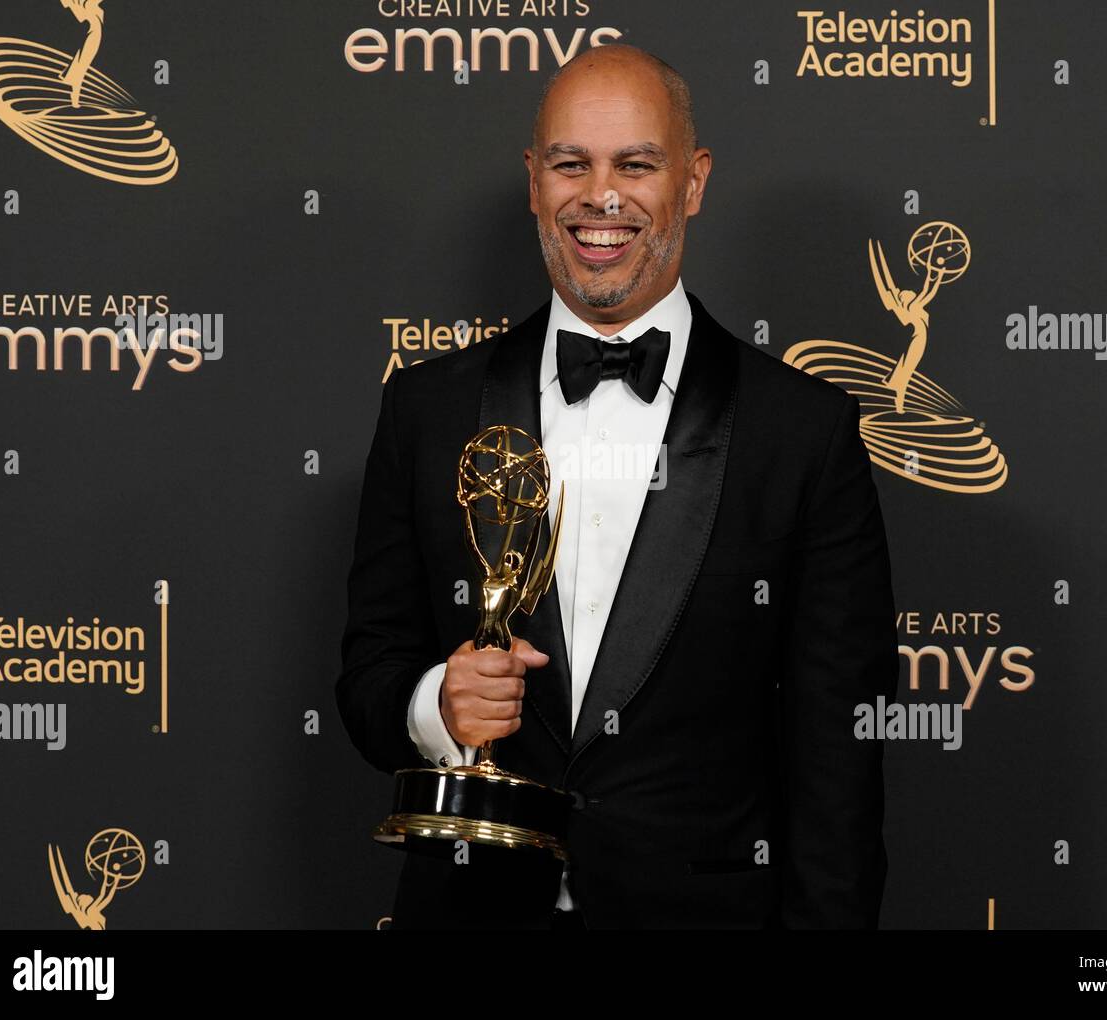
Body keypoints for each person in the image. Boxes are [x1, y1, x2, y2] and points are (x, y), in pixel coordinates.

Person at [336, 42, 900, 929]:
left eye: (636, 164)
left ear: (695, 180)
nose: (601, 196)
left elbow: (839, 765)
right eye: (572, 164)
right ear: (534, 180)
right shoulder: (426, 408)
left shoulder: (805, 434)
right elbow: (367, 675)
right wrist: (436, 704)